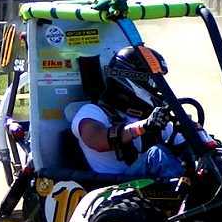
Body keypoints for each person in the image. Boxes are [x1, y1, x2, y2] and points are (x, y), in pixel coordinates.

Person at [71, 46, 186, 179]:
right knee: (157, 155)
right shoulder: (92, 111)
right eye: (152, 79)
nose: (157, 86)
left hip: (150, 184)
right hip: (115, 185)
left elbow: (181, 144)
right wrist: (143, 126)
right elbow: (97, 140)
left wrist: (193, 134)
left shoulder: (152, 115)